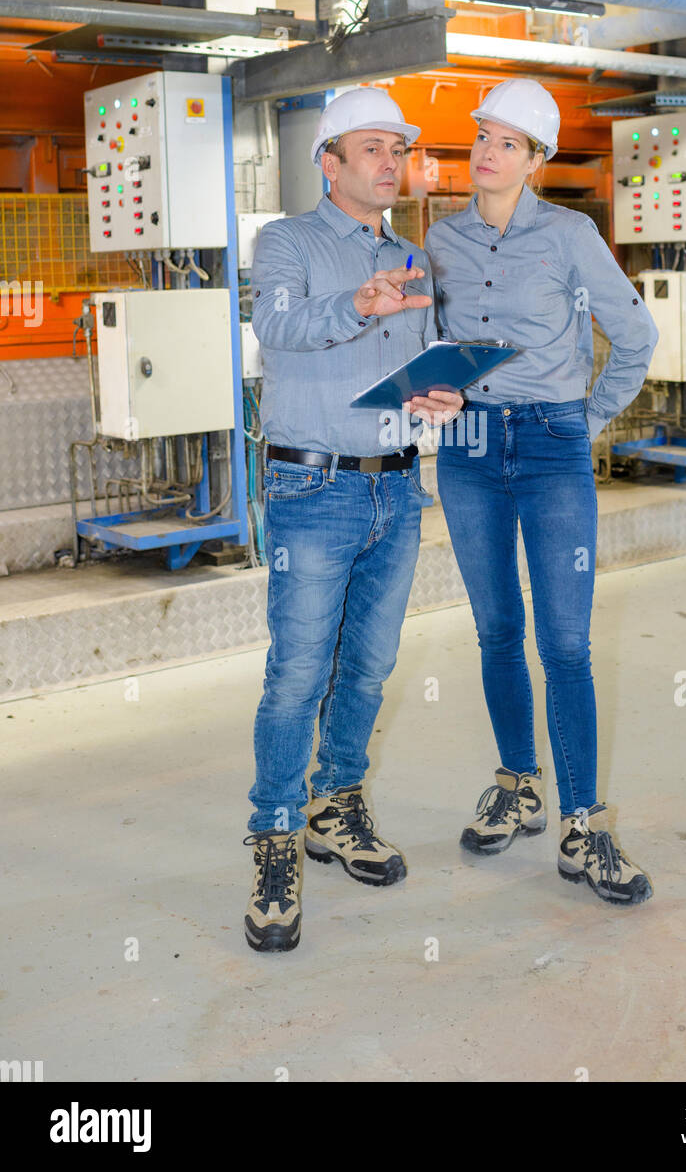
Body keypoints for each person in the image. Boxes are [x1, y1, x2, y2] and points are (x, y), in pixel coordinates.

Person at [423, 78, 659, 906]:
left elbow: (635, 335)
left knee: (565, 644)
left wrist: (580, 423)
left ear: (535, 160)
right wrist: (429, 394)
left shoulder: (570, 236)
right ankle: (518, 786)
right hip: (468, 450)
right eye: (483, 135)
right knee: (496, 630)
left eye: (508, 142)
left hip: (553, 444)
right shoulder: (440, 239)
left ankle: (583, 824)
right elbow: (431, 343)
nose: (488, 151)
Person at [245, 87, 462, 952]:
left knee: (369, 670)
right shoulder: (286, 241)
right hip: (312, 490)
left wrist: (441, 394)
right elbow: (277, 327)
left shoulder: (413, 257)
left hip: (397, 489)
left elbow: (414, 371)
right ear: (328, 161)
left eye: (398, 150)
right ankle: (274, 835)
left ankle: (337, 804)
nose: (390, 162)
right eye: (372, 148)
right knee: (298, 674)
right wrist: (359, 306)